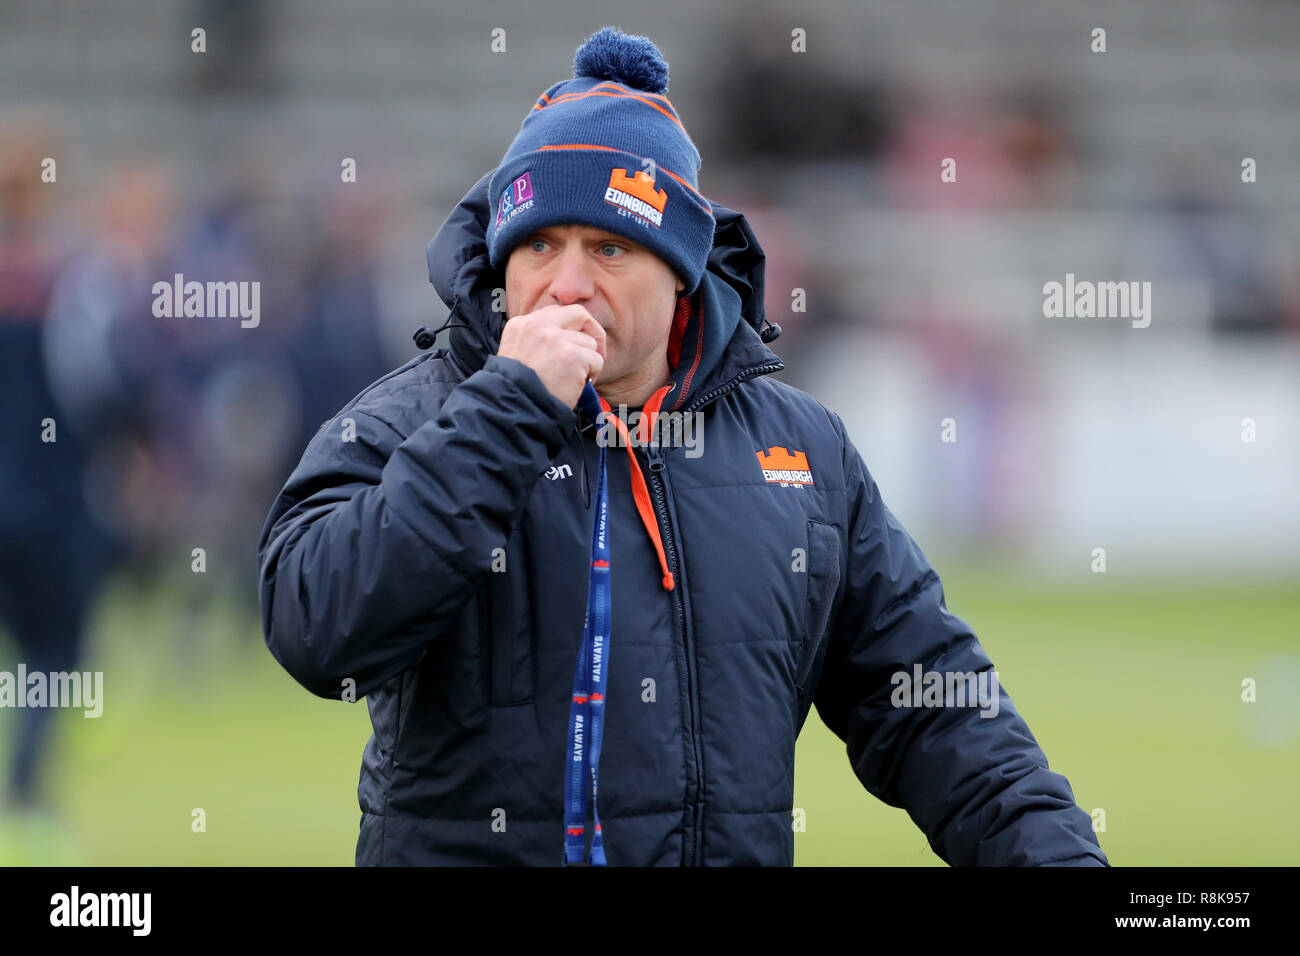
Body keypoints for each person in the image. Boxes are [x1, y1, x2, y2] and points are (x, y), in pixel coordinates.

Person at [256, 26, 1108, 867]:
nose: (567, 283)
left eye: (610, 248)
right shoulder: (413, 417)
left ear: (681, 271)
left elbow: (936, 710)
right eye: (539, 245)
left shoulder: (803, 452)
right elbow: (314, 630)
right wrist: (504, 415)